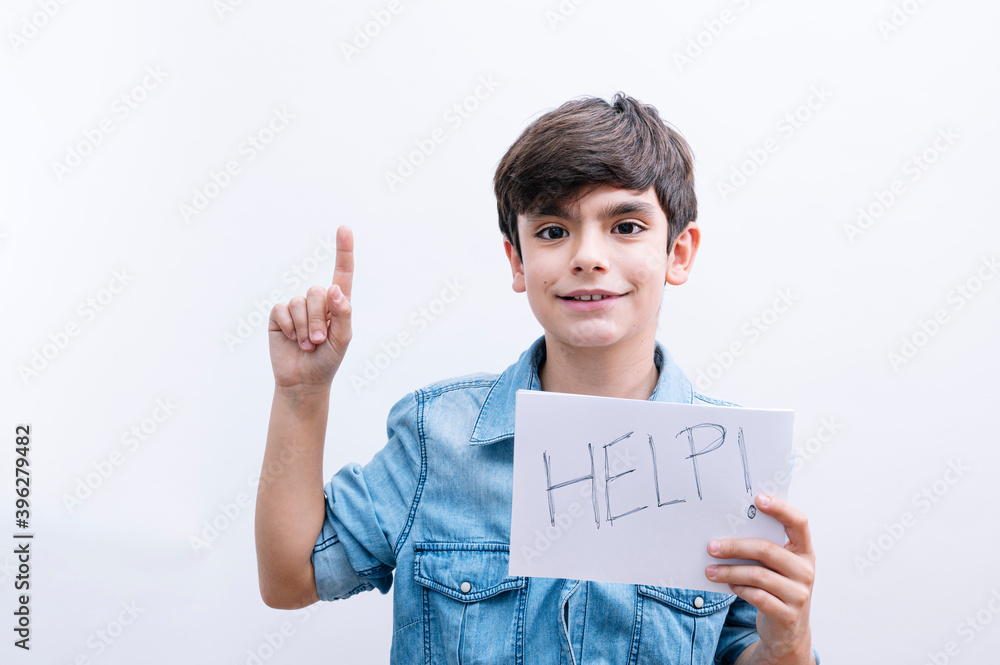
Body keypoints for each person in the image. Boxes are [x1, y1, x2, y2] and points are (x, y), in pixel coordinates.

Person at [255, 92, 819, 664]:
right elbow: (291, 578)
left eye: (625, 225)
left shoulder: (734, 461)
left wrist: (788, 640)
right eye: (553, 231)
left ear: (679, 252)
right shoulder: (437, 436)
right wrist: (302, 394)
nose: (588, 257)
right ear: (517, 261)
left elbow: (744, 651)